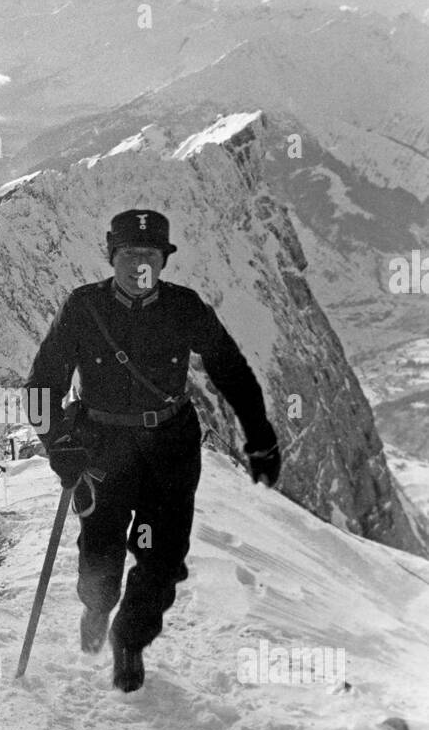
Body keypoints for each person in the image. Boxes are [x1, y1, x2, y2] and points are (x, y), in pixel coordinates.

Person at [23, 208, 280, 692]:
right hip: (102, 448)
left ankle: (130, 638)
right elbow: (41, 385)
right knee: (99, 555)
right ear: (111, 257)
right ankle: (97, 607)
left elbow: (229, 367)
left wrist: (259, 433)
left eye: (149, 256)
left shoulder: (186, 308)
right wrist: (58, 443)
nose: (138, 266)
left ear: (163, 261)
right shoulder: (83, 308)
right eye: (128, 255)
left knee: (163, 558)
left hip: (170, 447)